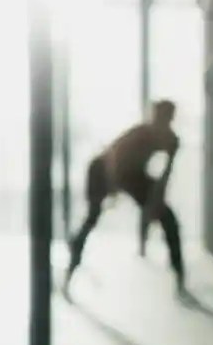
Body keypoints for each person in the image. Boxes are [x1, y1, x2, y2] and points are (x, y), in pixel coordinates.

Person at [64, 99, 185, 298]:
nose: (159, 125)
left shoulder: (172, 141)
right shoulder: (139, 133)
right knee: (92, 217)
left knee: (168, 218)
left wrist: (156, 203)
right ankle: (71, 268)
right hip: (102, 169)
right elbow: (113, 156)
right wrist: (112, 189)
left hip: (132, 174)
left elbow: (164, 177)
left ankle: (179, 274)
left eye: (164, 121)